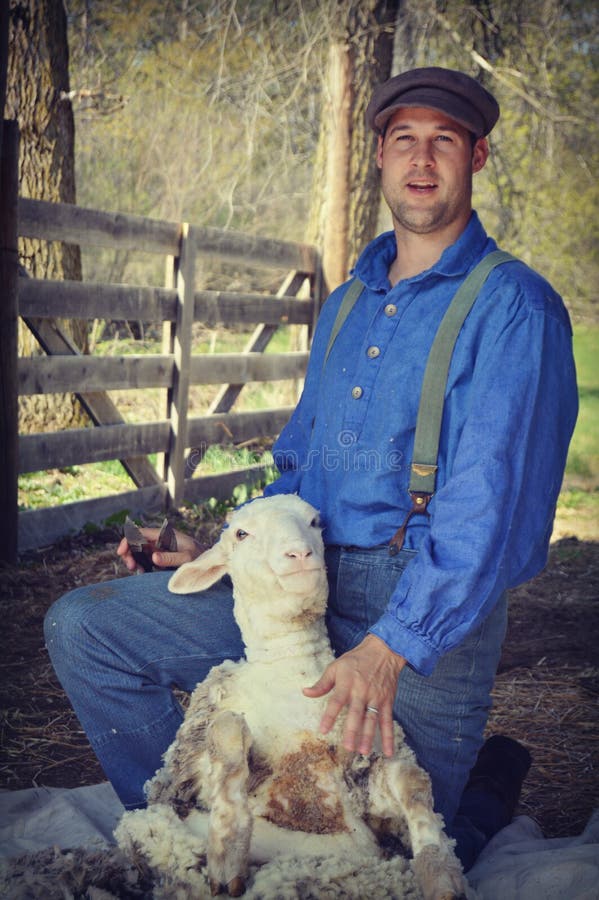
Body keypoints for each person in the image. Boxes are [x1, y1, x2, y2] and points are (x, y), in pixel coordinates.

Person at [45, 67, 578, 870]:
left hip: (418, 605)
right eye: (404, 140)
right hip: (301, 587)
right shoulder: (346, 304)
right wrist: (225, 551)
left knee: (389, 851)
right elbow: (302, 474)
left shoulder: (512, 306)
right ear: (378, 156)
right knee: (85, 628)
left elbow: (489, 514)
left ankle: (480, 797)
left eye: (444, 141)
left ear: (479, 156)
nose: (422, 160)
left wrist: (389, 646)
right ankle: (188, 834)